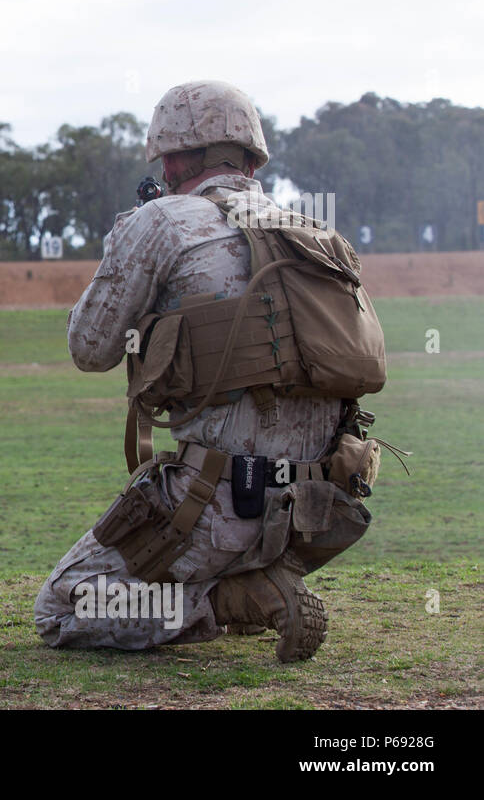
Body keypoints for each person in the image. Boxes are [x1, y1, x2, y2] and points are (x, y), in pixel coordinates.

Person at [33, 80, 373, 663]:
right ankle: (264, 575)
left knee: (63, 608)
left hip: (218, 505)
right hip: (319, 507)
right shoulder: (317, 235)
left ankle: (231, 600)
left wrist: (124, 247)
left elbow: (90, 348)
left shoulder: (162, 223)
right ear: (251, 155)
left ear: (171, 158)